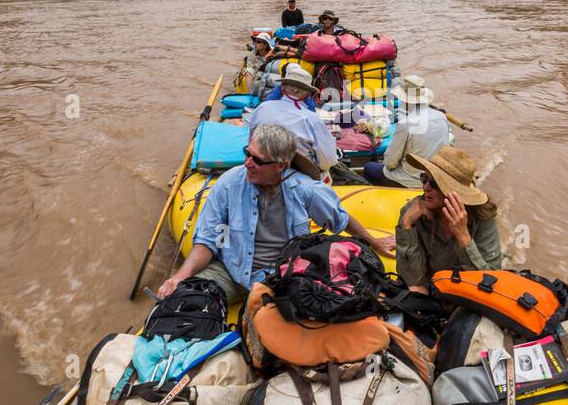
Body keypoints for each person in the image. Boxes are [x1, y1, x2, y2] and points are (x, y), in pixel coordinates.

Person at [157, 124, 394, 305]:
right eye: (247, 154)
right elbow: (207, 241)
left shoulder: (305, 190)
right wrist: (180, 277)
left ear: (281, 165)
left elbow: (340, 219)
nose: (247, 163)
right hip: (232, 271)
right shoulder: (228, 184)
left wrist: (373, 242)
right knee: (183, 301)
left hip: (281, 278)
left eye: (257, 160)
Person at [394, 146, 502, 294]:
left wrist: (463, 237)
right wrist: (406, 225)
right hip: (432, 294)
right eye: (424, 179)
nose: (425, 187)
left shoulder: (483, 218)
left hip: (469, 296)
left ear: (457, 192)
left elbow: (492, 282)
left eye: (434, 184)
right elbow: (413, 280)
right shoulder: (413, 213)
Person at [247, 64, 339, 174]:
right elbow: (328, 160)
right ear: (308, 93)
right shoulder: (312, 119)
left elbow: (250, 141)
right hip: (296, 174)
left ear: (283, 88)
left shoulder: (262, 107)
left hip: (261, 169)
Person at [363, 74, 451, 186]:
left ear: (406, 100)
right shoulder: (441, 117)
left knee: (369, 167)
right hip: (434, 177)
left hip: (411, 181)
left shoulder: (406, 123)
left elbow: (390, 163)